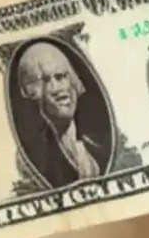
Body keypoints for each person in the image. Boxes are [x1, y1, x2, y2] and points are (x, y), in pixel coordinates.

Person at [14, 42, 111, 189]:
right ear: (32, 92)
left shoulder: (98, 146)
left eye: (60, 77)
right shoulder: (33, 159)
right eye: (46, 80)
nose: (57, 89)